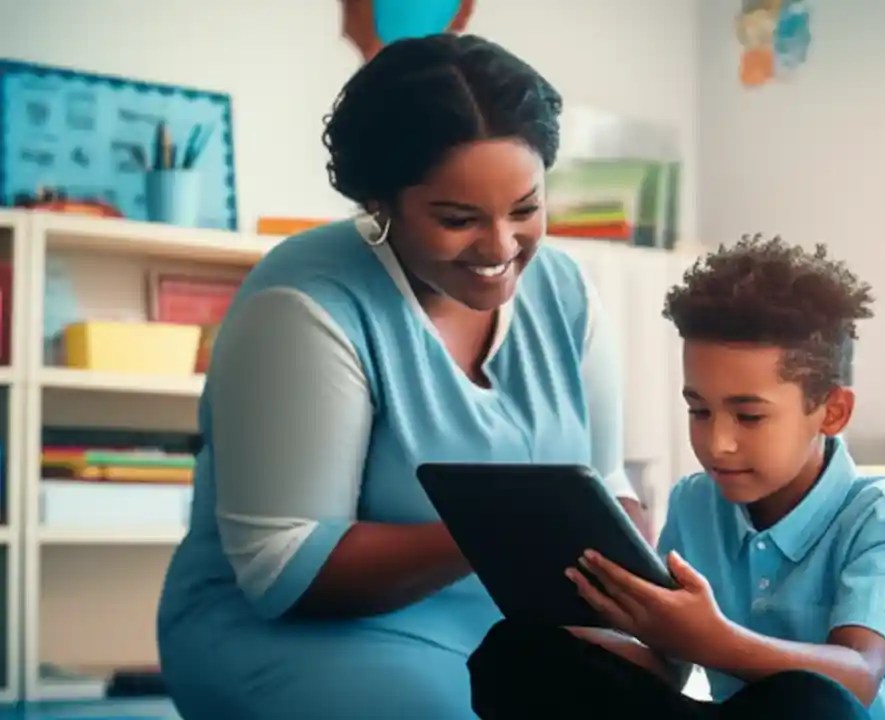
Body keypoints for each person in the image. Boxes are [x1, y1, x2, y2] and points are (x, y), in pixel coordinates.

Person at [156, 33, 648, 719]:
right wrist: (507, 531)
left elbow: (608, 486)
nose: (501, 248)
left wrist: (637, 573)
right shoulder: (304, 307)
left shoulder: (566, 293)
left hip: (512, 628)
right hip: (302, 633)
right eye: (457, 219)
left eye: (526, 209)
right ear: (380, 201)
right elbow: (286, 570)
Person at [469, 235, 885, 719]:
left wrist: (714, 641)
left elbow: (859, 675)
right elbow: (664, 668)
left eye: (750, 417)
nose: (717, 444)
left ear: (832, 411)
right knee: (518, 652)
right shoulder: (696, 502)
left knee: (811, 701)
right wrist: (583, 633)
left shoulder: (881, 517)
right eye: (699, 410)